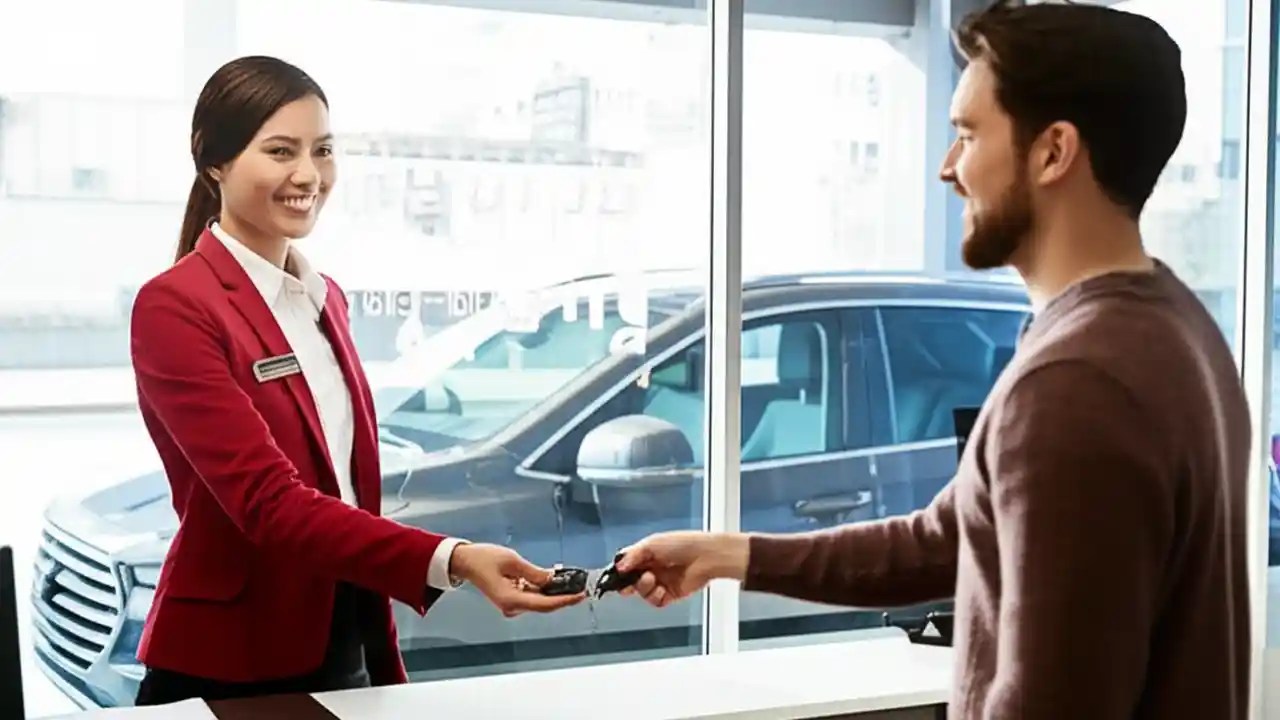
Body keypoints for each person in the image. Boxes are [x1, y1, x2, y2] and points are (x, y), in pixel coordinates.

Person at [613, 3, 1251, 719]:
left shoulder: (1076, 383)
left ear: (1053, 152)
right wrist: (728, 555)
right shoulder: (1174, 326)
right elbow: (948, 540)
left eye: (968, 133)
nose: (949, 168)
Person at [128, 55, 584, 706]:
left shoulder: (324, 298)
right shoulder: (176, 306)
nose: (308, 175)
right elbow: (267, 502)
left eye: (323, 150)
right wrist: (454, 559)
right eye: (280, 151)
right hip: (231, 659)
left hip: (347, 639)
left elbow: (343, 485)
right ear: (214, 165)